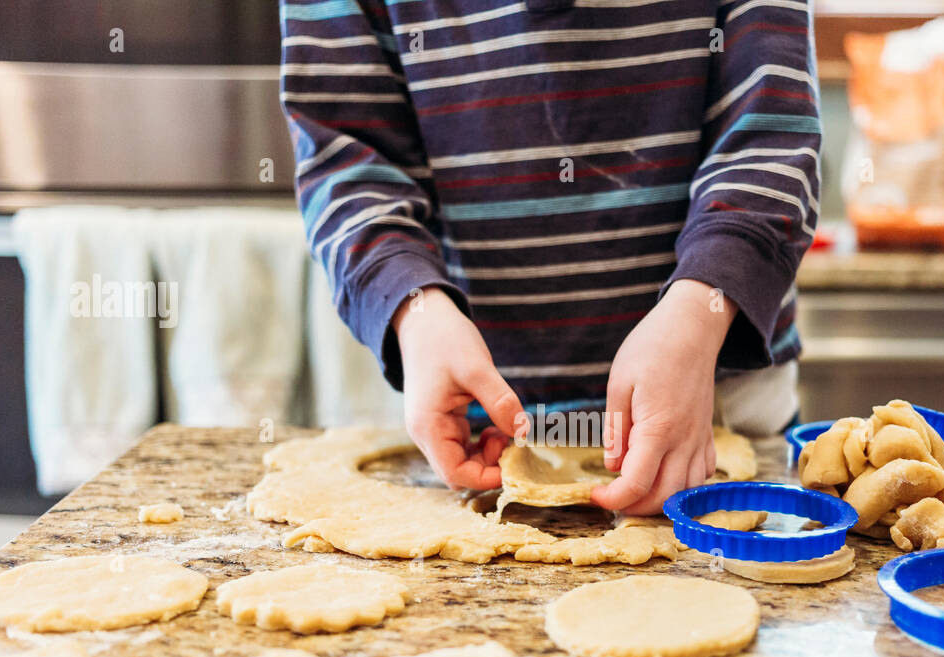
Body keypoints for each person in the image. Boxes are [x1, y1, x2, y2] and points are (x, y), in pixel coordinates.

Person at [283, 0, 820, 514]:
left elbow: (770, 135)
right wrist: (415, 313)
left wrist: (697, 316)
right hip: (473, 429)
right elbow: (347, 162)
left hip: (718, 397)